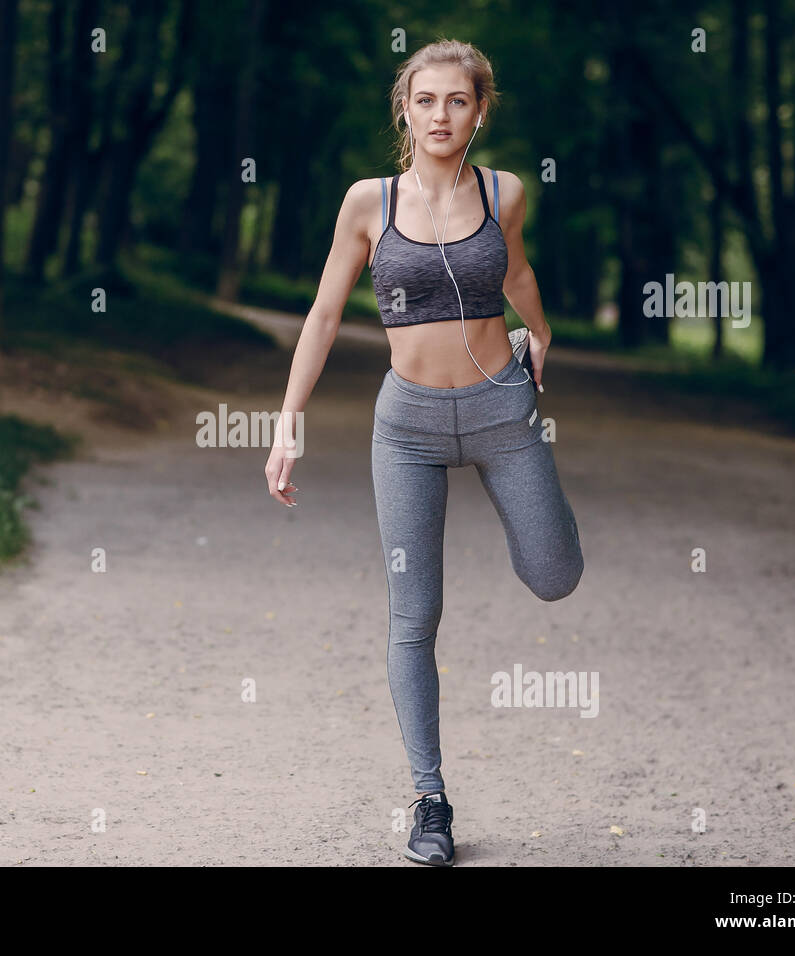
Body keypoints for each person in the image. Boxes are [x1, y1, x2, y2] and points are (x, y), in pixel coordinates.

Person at [263, 39, 584, 866]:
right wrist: (288, 422)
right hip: (404, 424)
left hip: (500, 410)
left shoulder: (504, 193)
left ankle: (538, 538)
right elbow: (325, 315)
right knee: (414, 617)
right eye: (427, 99)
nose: (441, 115)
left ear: (480, 111)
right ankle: (430, 800)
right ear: (404, 108)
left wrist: (539, 333)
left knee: (555, 574)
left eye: (459, 101)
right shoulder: (367, 204)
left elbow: (513, 275)